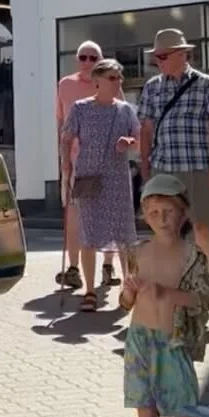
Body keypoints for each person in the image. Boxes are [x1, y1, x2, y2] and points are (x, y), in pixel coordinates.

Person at [118, 174, 209, 417]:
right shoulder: (137, 253)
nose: (161, 219)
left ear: (183, 214)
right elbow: (125, 303)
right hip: (139, 342)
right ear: (144, 216)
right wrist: (129, 294)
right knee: (145, 414)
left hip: (172, 343)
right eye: (153, 213)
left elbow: (203, 300)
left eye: (168, 212)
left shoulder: (192, 257)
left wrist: (168, 293)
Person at [138, 29, 209, 263]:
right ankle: (172, 279)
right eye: (155, 57)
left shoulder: (206, 85)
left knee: (202, 227)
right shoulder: (151, 87)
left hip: (197, 168)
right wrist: (145, 167)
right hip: (163, 169)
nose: (157, 62)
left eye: (162, 56)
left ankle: (202, 279)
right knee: (165, 229)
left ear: (181, 55)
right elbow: (146, 130)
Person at [61, 59, 140, 311]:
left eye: (120, 77)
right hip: (89, 177)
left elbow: (138, 139)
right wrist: (66, 167)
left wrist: (129, 142)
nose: (119, 82)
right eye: (113, 78)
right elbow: (66, 137)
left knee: (125, 235)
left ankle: (129, 288)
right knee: (89, 234)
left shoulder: (126, 110)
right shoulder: (80, 108)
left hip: (117, 180)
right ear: (97, 82)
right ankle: (90, 291)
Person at [56, 42, 120, 295]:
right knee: (74, 215)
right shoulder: (65, 85)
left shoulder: (110, 83)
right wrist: (63, 162)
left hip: (106, 161)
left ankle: (107, 265)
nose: (87, 62)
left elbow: (123, 116)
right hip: (77, 163)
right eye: (83, 57)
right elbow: (61, 124)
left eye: (93, 58)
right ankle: (73, 269)